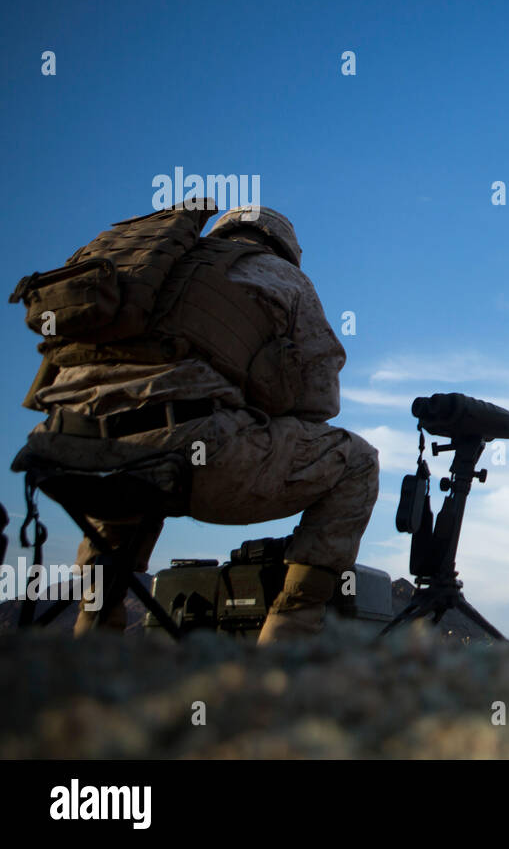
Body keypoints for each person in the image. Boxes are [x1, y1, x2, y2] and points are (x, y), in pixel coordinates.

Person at [16, 204, 378, 643]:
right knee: (357, 460)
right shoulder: (281, 276)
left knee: (127, 448)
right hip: (187, 457)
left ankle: (94, 633)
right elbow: (318, 404)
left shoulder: (141, 269)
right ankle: (287, 639)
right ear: (284, 249)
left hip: (61, 454)